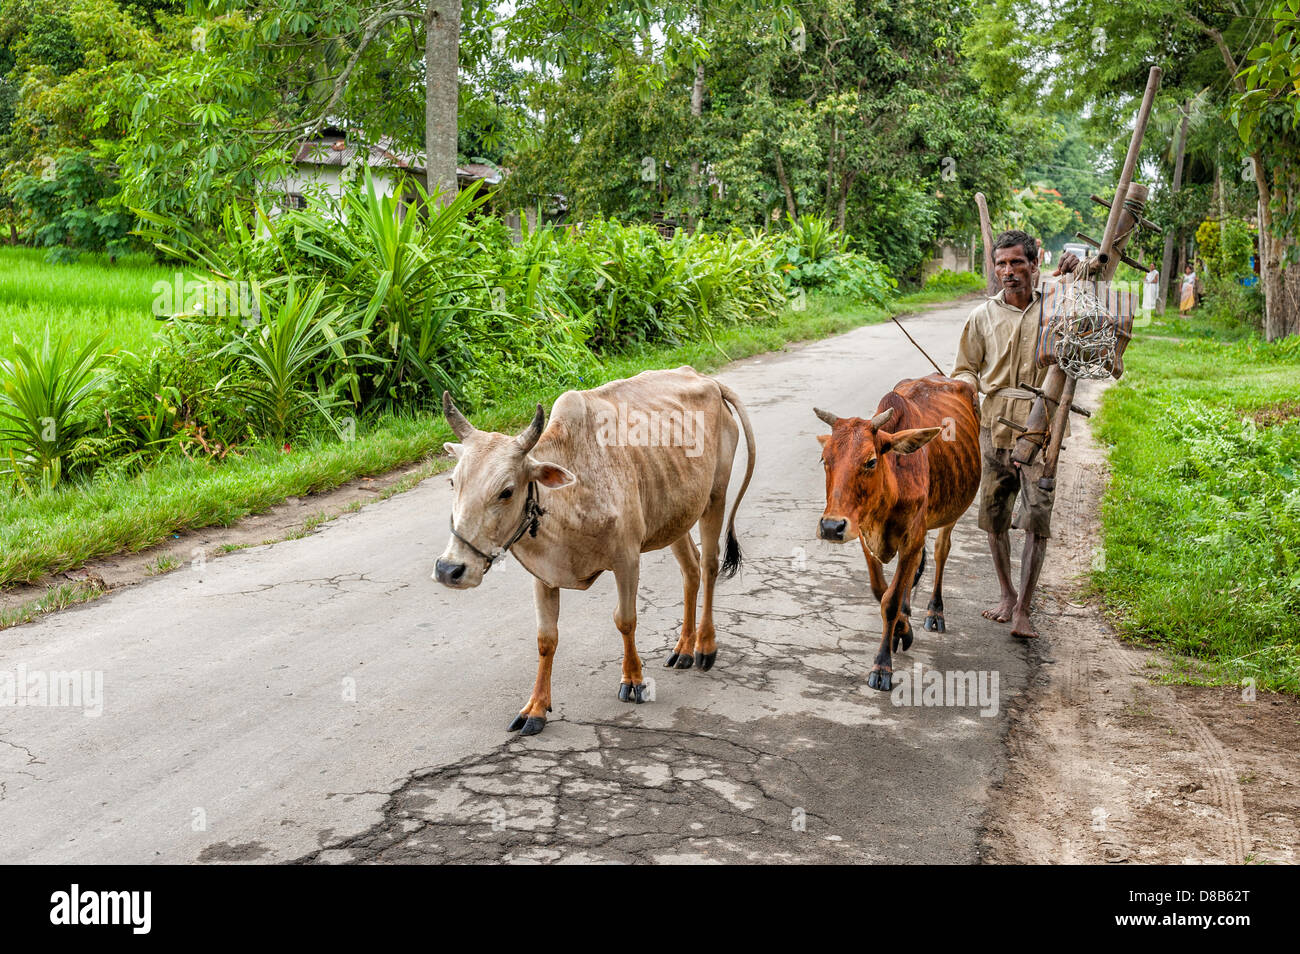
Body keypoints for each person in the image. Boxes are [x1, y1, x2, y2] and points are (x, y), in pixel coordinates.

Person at [951, 230, 1081, 640]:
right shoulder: (981, 317)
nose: (1008, 272)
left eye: (1017, 263)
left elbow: (1092, 289)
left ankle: (1024, 609)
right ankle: (1007, 594)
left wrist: (1079, 273)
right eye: (1001, 264)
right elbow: (964, 368)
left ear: (1033, 263)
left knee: (1036, 517)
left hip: (1042, 427)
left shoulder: (1059, 304)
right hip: (992, 425)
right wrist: (968, 387)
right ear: (995, 268)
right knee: (993, 516)